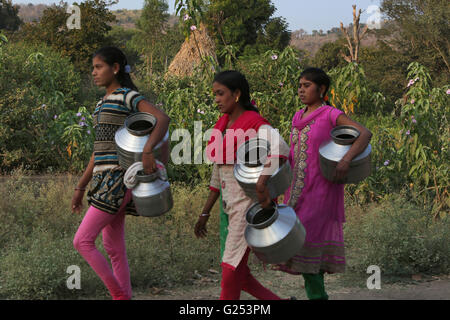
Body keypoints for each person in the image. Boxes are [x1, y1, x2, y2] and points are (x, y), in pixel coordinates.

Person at [71, 46, 170, 300]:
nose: (93, 72)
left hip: (117, 179)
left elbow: (162, 118)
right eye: (92, 67)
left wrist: (148, 151)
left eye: (98, 67)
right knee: (114, 249)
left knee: (82, 241)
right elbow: (98, 150)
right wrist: (80, 187)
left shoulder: (127, 97)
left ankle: (119, 296)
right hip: (103, 181)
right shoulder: (100, 104)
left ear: (115, 68)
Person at [276, 67, 372, 300]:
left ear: (322, 89)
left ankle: (318, 297)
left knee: (308, 244)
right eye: (299, 85)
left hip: (321, 193)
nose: (301, 90)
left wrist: (346, 160)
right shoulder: (297, 117)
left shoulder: (331, 114)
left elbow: (364, 134)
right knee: (300, 246)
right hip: (296, 193)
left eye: (307, 85)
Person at [194, 70, 290, 300]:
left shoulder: (254, 122)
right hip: (230, 206)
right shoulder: (223, 125)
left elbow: (282, 149)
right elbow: (218, 174)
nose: (216, 99)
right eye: (214, 94)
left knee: (230, 271)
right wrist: (205, 212)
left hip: (248, 207)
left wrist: (261, 184)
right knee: (240, 274)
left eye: (220, 93)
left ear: (236, 94)